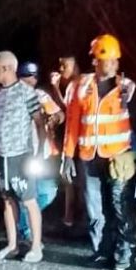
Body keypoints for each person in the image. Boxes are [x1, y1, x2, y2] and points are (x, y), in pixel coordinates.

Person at [62, 34, 136, 270]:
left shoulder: (125, 88)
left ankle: (125, 252)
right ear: (95, 62)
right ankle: (102, 250)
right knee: (95, 210)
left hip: (117, 157)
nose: (110, 65)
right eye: (106, 61)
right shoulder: (80, 87)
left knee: (120, 208)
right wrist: (68, 155)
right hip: (89, 157)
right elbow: (72, 123)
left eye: (114, 61)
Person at [0, 51, 47, 263]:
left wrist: (39, 153)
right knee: (7, 200)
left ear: (5, 68)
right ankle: (12, 245)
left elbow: (40, 123)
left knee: (29, 200)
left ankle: (36, 247)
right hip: (1, 155)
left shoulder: (27, 93)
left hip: (20, 155)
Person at [16, 62, 64, 242]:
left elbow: (60, 114)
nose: (32, 80)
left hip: (41, 152)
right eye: (28, 76)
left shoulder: (40, 95)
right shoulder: (12, 97)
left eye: (34, 76)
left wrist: (54, 119)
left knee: (48, 191)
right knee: (26, 193)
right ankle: (27, 233)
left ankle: (25, 222)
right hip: (21, 152)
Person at [50, 55, 80, 230]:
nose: (61, 69)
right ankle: (69, 215)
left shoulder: (79, 84)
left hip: (79, 139)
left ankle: (71, 215)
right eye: (60, 65)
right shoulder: (69, 85)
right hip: (67, 137)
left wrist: (55, 88)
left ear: (75, 67)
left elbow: (68, 108)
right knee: (68, 178)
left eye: (65, 66)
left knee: (71, 179)